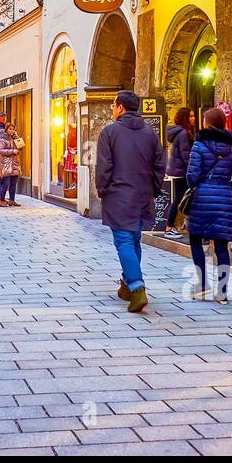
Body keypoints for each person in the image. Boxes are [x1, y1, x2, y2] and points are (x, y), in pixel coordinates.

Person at [96, 91, 167, 314]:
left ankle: (137, 287)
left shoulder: (109, 132)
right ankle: (127, 285)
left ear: (120, 107)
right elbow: (159, 164)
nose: (112, 109)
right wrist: (154, 187)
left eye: (113, 105)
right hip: (143, 193)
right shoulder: (150, 133)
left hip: (119, 193)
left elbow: (104, 166)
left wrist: (102, 189)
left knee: (124, 240)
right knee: (134, 238)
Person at [184, 106, 232, 305]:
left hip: (202, 199)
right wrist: (225, 189)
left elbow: (192, 177)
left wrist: (200, 186)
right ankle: (222, 292)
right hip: (223, 200)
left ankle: (202, 285)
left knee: (196, 241)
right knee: (221, 247)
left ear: (207, 123)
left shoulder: (199, 146)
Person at [161, 108, 197, 241]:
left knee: (182, 198)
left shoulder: (180, 132)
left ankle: (178, 225)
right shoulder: (183, 133)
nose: (193, 119)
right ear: (185, 118)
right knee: (181, 199)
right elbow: (186, 155)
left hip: (178, 171)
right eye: (191, 116)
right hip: (182, 172)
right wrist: (193, 171)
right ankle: (169, 227)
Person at [0, 122, 22, 207]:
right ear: (6, 130)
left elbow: (20, 147)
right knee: (6, 183)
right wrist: (12, 151)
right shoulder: (2, 139)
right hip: (6, 163)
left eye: (13, 129)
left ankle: (12, 200)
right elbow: (0, 150)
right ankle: (2, 200)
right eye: (10, 129)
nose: (12, 131)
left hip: (15, 163)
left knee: (13, 183)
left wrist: (18, 141)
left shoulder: (14, 138)